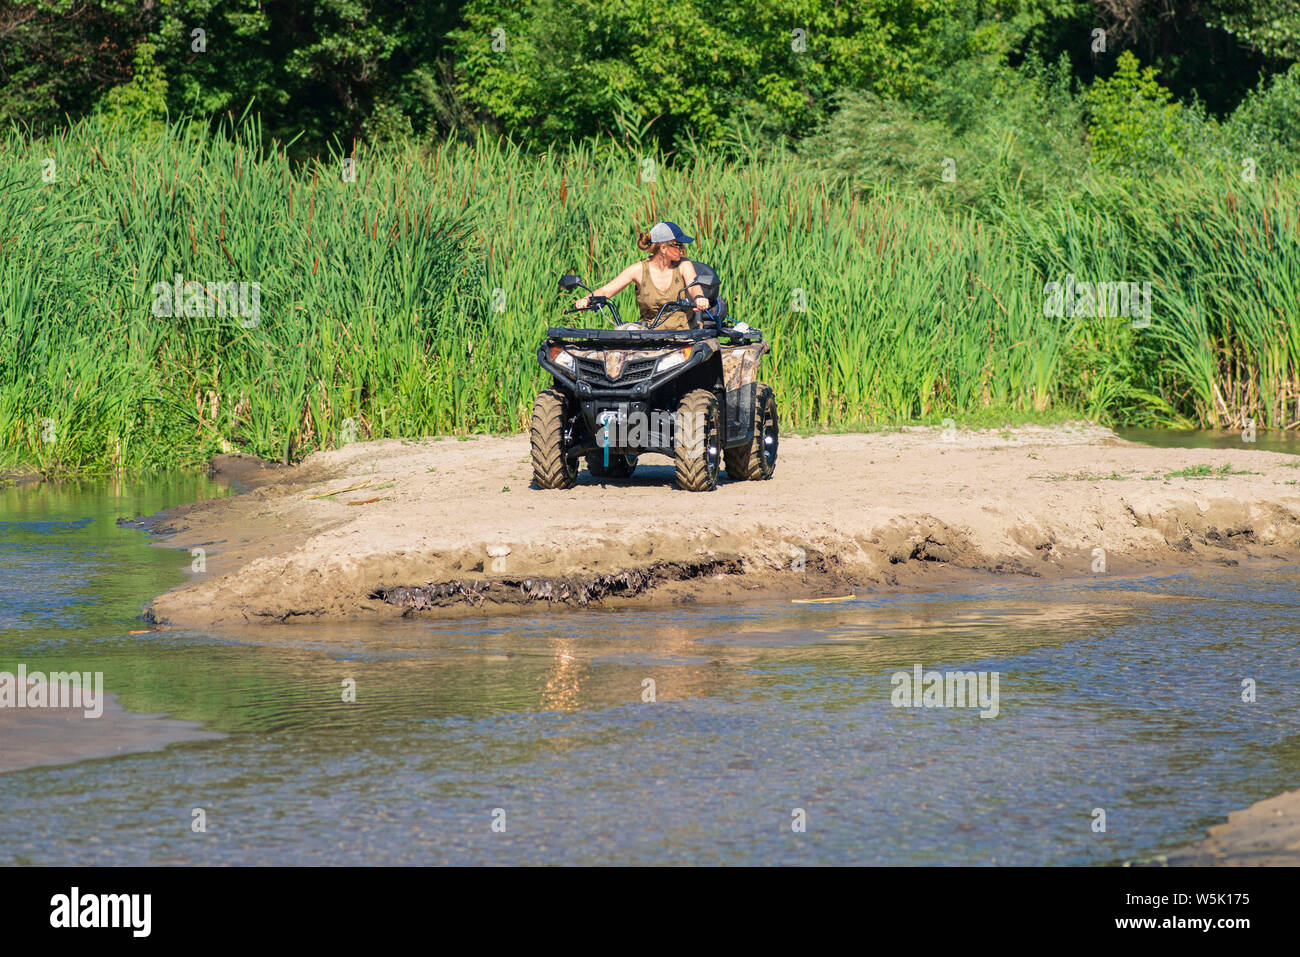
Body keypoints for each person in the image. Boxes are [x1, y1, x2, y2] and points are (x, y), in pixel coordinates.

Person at [573, 221, 710, 330]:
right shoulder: (638, 270)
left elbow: (694, 286)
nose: (683, 249)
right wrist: (587, 300)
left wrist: (699, 298)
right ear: (663, 248)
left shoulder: (684, 265)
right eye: (679, 245)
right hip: (651, 337)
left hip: (684, 336)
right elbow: (606, 290)